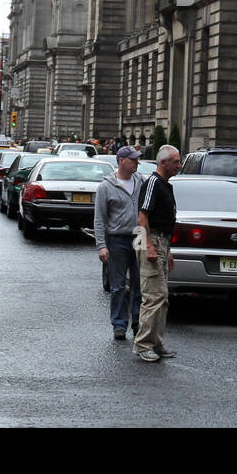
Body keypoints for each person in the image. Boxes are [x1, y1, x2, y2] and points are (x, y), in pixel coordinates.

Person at [134, 144, 180, 362]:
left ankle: (156, 343)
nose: (179, 166)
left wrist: (167, 251)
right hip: (150, 240)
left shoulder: (165, 185)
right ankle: (143, 345)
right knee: (153, 296)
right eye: (176, 162)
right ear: (163, 163)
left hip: (161, 242)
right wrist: (149, 246)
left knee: (162, 297)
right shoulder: (153, 182)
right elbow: (142, 217)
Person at [94, 145, 144, 340]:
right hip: (117, 240)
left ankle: (138, 323)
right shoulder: (106, 186)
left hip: (140, 236)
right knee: (118, 286)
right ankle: (119, 324)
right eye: (133, 160)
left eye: (137, 159)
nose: (137, 162)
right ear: (121, 161)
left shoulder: (141, 181)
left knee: (140, 283)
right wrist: (101, 246)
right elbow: (99, 219)